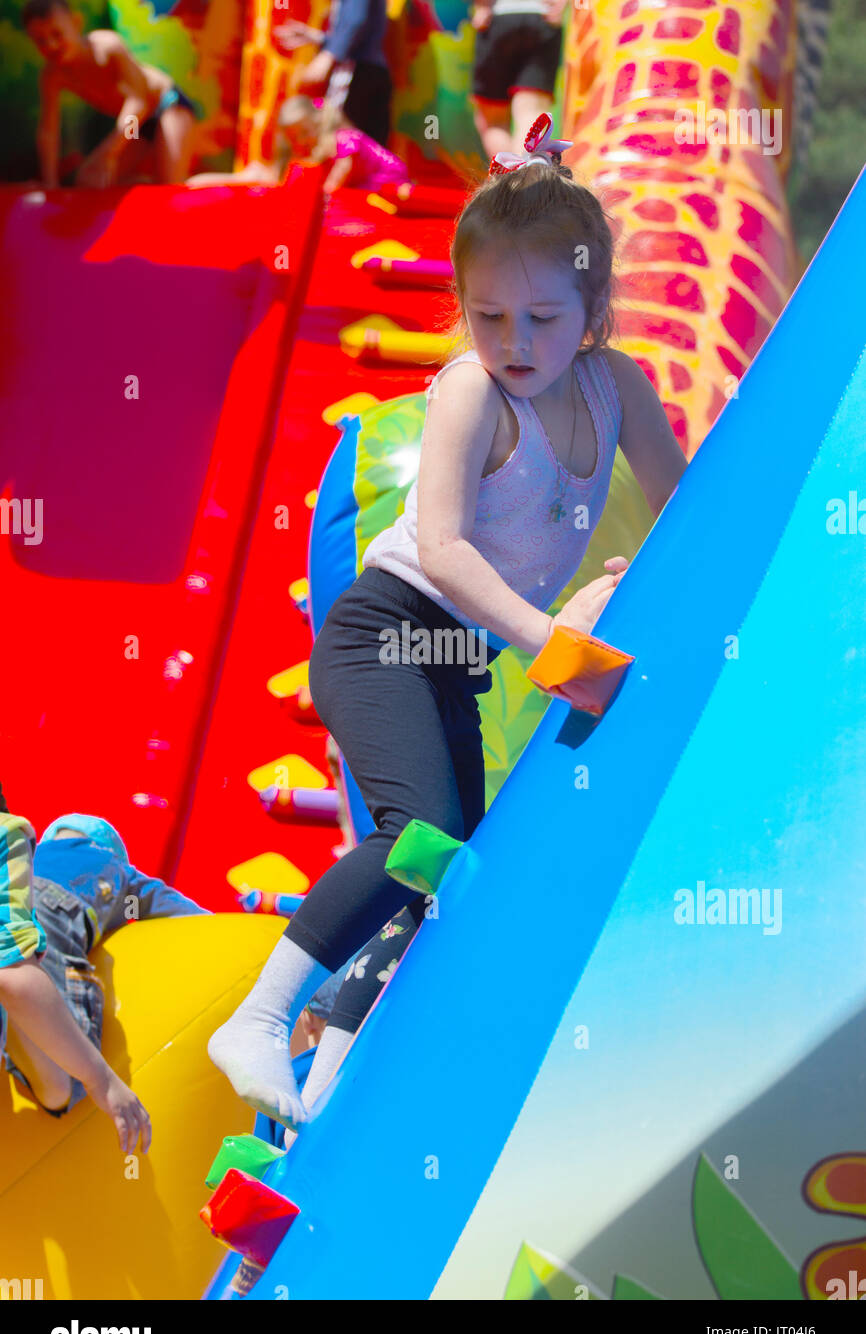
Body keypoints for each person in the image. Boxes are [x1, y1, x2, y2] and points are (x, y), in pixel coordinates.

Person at [208, 113, 688, 1128]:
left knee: (448, 870)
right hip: (383, 629)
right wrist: (551, 637)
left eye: (543, 319)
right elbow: (443, 549)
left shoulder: (618, 390)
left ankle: (335, 1063)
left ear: (593, 307)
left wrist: (633, 576)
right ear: (462, 312)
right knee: (417, 830)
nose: (514, 344)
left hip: (452, 660)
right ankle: (256, 1015)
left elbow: (690, 511)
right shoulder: (468, 392)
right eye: (488, 316)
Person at [0, 790, 210, 1150]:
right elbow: (170, 911)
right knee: (61, 1087)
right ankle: (25, 1019)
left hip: (31, 906)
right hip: (54, 918)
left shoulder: (35, 859)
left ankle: (18, 1016)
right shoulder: (116, 873)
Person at [21, 0, 199, 187]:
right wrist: (50, 183)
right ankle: (149, 188)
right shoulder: (53, 75)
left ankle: (224, 186)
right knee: (88, 180)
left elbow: (139, 104)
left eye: (57, 34)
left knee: (170, 183)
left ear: (76, 23)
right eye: (41, 40)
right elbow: (49, 131)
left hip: (167, 105)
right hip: (137, 126)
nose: (51, 45)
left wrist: (111, 152)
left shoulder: (106, 47)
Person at [187, 96, 408, 195]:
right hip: (370, 182)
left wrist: (323, 194)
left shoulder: (344, 138)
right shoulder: (318, 138)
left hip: (389, 178)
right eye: (294, 137)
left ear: (317, 122)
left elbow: (341, 172)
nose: (301, 141)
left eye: (304, 133)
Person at [273, 0, 392, 149]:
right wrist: (315, 37)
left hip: (360, 72)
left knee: (347, 140)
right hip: (366, 70)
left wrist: (330, 54)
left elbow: (355, 19)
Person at [470, 0, 567, 160]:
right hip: (542, 17)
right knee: (530, 110)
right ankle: (524, 175)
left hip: (498, 17)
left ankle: (513, 177)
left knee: (494, 121)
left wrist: (481, 5)